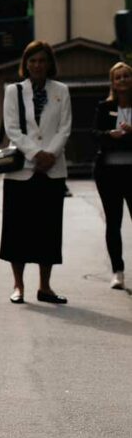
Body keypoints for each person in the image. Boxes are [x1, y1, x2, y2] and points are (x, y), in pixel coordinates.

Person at [0, 40, 72, 305]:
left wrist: (50, 154)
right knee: (17, 230)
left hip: (52, 171)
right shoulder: (14, 91)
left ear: (50, 64)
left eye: (42, 61)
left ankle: (45, 286)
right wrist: (35, 154)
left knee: (49, 230)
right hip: (22, 172)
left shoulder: (61, 90)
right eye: (33, 61)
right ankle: (18, 285)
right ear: (25, 64)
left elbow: (65, 127)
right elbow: (12, 129)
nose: (37, 65)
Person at [92, 59, 132, 289]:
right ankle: (118, 270)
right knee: (113, 221)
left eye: (126, 76)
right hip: (108, 173)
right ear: (113, 83)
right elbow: (94, 134)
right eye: (118, 77)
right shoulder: (104, 107)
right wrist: (110, 134)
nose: (123, 80)